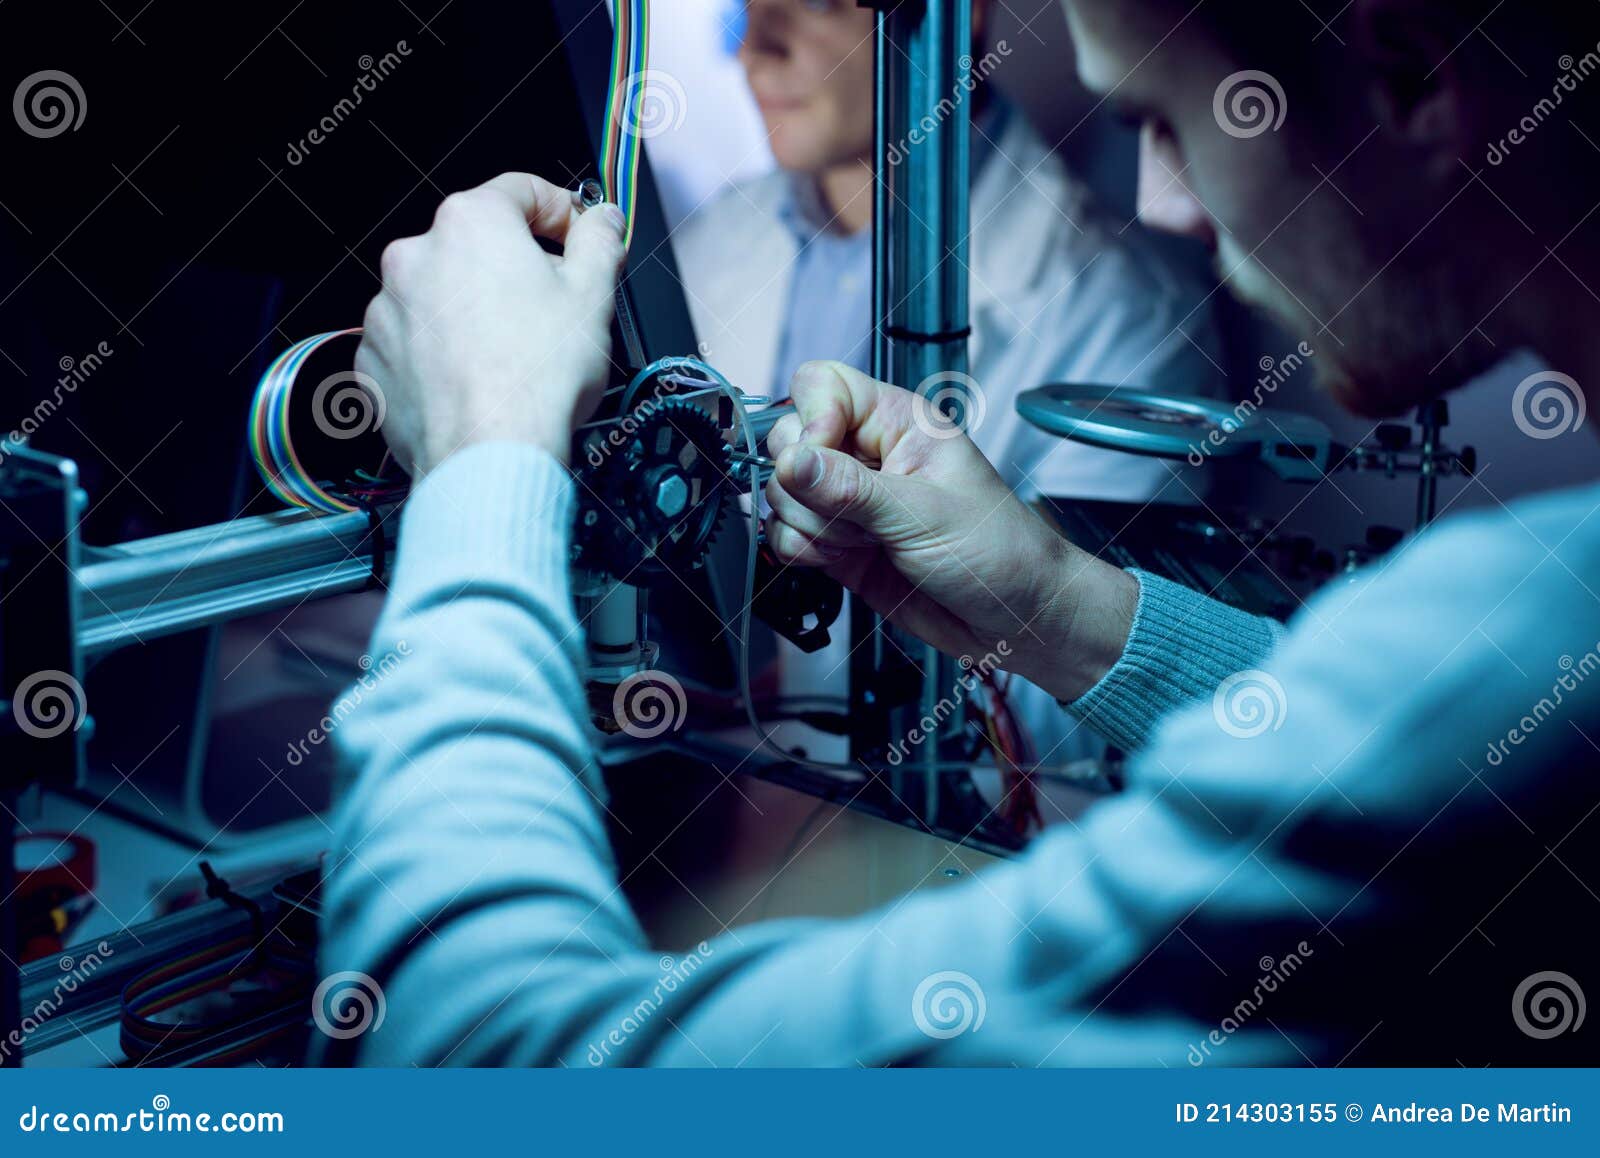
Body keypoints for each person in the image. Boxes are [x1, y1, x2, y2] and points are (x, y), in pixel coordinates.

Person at [322, 0, 1600, 1066]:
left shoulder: (1528, 635)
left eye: (1163, 120)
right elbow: (1373, 754)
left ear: (1411, 79)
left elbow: (475, 1061)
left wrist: (485, 457)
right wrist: (1046, 592)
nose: (1170, 200)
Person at [672, 0, 1224, 761]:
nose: (756, 47)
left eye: (817, 3)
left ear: (952, 19)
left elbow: (1082, 715)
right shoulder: (707, 240)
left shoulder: (1127, 313)